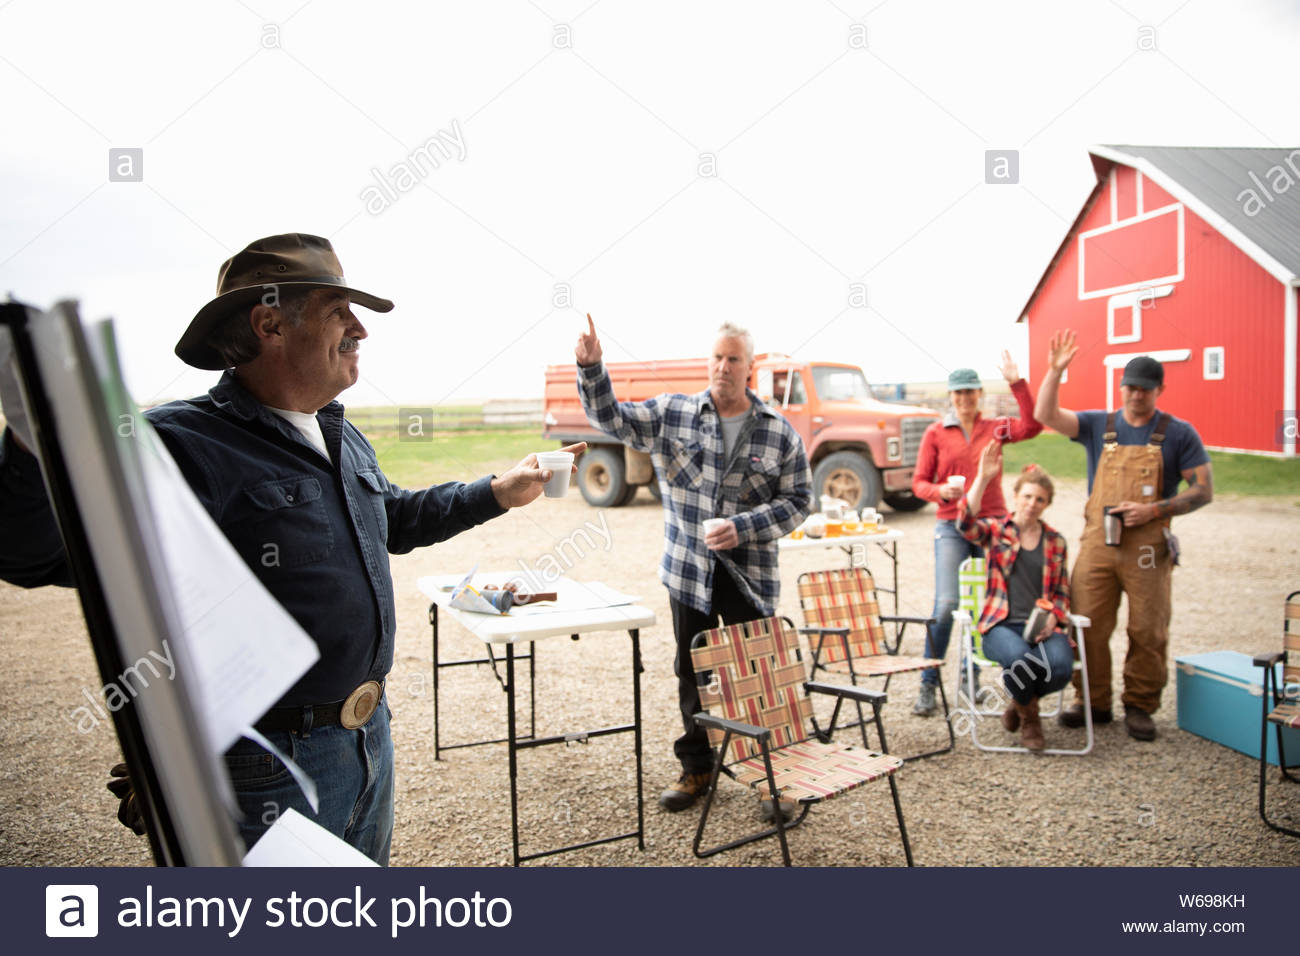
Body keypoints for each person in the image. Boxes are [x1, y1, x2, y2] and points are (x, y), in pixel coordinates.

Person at [0, 233, 582, 863]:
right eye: (338, 310)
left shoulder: (336, 428)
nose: (360, 329)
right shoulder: (184, 445)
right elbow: (37, 554)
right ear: (270, 323)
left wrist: (495, 491)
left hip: (366, 741)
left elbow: (387, 516)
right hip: (266, 766)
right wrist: (37, 438)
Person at [573, 315, 811, 814]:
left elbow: (799, 501)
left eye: (734, 359)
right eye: (717, 357)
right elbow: (611, 419)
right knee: (691, 671)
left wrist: (743, 527)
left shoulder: (777, 431)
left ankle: (775, 777)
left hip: (751, 576)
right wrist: (592, 367)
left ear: (750, 367)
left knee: (760, 674)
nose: (723, 367)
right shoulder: (673, 414)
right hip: (688, 571)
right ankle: (697, 767)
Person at [1035, 331, 1212, 741]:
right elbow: (1046, 413)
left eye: (1145, 389)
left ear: (1159, 390)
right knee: (1087, 624)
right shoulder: (1099, 425)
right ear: (1122, 388)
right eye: (1130, 387)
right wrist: (1056, 370)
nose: (1136, 395)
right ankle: (1093, 702)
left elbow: (1203, 490)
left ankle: (1140, 705)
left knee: (1148, 628)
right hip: (1098, 543)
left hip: (1148, 547)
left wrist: (1154, 510)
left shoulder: (1178, 433)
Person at [909, 355, 1043, 716]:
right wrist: (940, 493)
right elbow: (918, 482)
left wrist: (1018, 384)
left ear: (980, 394)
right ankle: (928, 684)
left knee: (988, 605)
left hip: (993, 524)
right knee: (948, 604)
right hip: (952, 525)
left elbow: (1033, 426)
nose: (964, 398)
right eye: (958, 393)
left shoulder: (996, 427)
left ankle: (971, 680)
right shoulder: (936, 433)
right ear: (950, 397)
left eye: (970, 392)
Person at [956, 443, 1073, 750]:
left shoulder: (1056, 542)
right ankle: (1031, 720)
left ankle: (1018, 704)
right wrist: (982, 478)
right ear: (1016, 496)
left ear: (1046, 504)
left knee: (1061, 667)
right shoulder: (997, 531)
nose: (1032, 504)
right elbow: (965, 524)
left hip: (1042, 628)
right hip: (1001, 626)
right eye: (1027, 496)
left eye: (1040, 499)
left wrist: (1055, 617)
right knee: (1019, 659)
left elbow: (1061, 592)